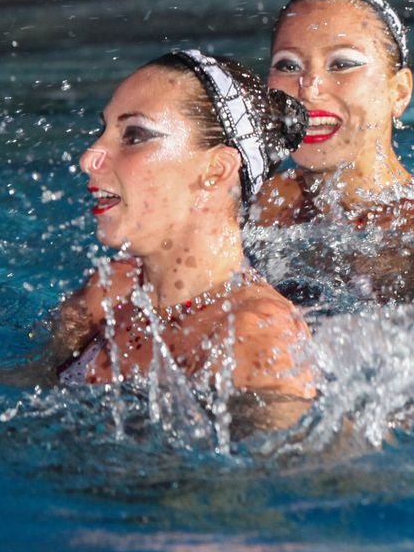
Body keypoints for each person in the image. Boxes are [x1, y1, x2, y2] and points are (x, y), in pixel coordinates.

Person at [48, 50, 318, 431]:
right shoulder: (108, 292)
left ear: (216, 170)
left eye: (135, 135)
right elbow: (23, 392)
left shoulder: (255, 339)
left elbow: (257, 481)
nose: (88, 157)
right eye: (103, 131)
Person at [253, 0, 414, 305]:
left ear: (400, 92)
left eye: (342, 64)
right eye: (288, 65)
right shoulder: (255, 203)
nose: (309, 88)